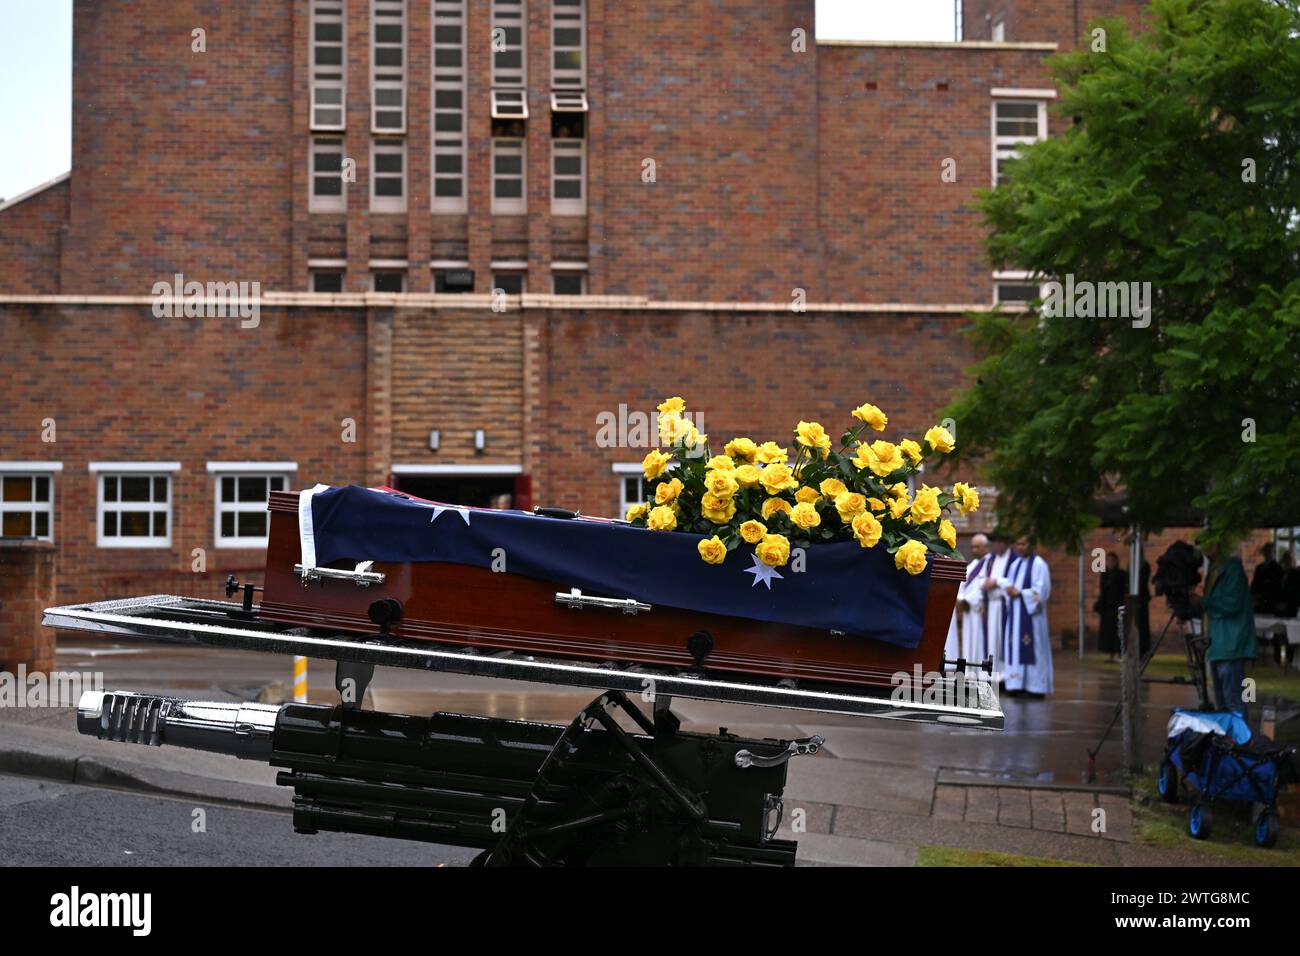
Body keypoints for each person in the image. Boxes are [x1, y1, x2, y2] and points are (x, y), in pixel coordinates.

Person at [1197, 539, 1257, 721]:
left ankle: (1239, 741)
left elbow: (1231, 604)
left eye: (1206, 543)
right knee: (1222, 703)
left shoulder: (1231, 568)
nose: (1203, 550)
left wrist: (1202, 601)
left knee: (1233, 701)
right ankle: (1228, 741)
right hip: (1219, 643)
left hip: (1230, 643)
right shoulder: (1215, 569)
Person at [1000, 535, 1053, 698]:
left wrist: (1020, 593)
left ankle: (1036, 687)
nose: (1020, 547)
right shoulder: (1015, 565)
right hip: (1015, 614)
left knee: (1033, 646)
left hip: (1031, 617)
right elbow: (1009, 585)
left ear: (1032, 545)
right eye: (1017, 544)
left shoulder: (1039, 564)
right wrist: (1008, 590)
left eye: (1023, 544)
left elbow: (1042, 591)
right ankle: (1016, 684)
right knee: (1014, 646)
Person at [944, 534, 991, 668]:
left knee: (978, 641)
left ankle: (979, 670)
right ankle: (968, 669)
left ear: (986, 547)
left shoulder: (990, 564)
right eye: (972, 547)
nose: (973, 550)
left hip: (979, 609)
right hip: (966, 608)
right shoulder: (974, 565)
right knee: (968, 641)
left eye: (977, 547)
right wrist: (959, 598)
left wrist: (968, 600)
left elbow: (982, 586)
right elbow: (963, 584)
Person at [979, 531, 1014, 678]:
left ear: (1006, 543)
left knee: (1003, 639)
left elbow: (1013, 581)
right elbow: (980, 577)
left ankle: (1005, 674)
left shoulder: (1013, 559)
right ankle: (993, 673)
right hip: (991, 604)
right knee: (992, 639)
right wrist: (985, 583)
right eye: (995, 542)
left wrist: (997, 581)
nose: (997, 545)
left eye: (1000, 542)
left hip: (1004, 604)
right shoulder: (990, 559)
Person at [1095, 551, 1125, 661]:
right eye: (1108, 561)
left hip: (1117, 606)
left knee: (1118, 629)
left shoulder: (1121, 574)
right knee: (1108, 631)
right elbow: (1103, 591)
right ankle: (1110, 653)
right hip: (1107, 607)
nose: (1110, 563)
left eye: (1112, 561)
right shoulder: (1104, 575)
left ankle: (1118, 653)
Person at [1250, 542, 1284, 615]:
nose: (1267, 553)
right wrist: (1253, 596)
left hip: (1270, 602)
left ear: (1273, 553)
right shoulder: (1259, 567)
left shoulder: (1277, 568)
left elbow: (1277, 586)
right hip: (1258, 602)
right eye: (1266, 551)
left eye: (1269, 551)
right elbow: (1254, 584)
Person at [1280, 550, 1300, 619]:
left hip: (1291, 608)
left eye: (1289, 559)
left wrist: (1287, 604)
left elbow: (1297, 593)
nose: (1287, 561)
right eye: (1285, 559)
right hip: (1279, 608)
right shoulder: (1280, 573)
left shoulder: (1297, 575)